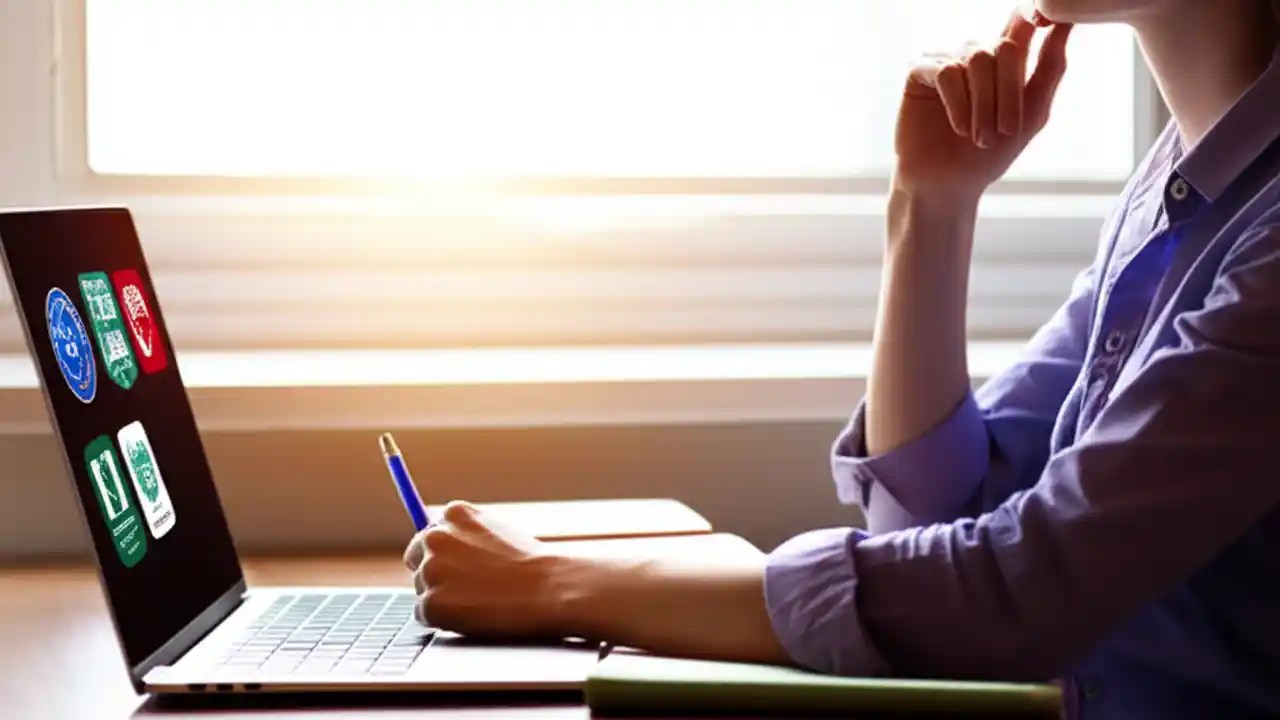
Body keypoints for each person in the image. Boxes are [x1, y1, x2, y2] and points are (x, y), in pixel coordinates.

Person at [402, 1, 1280, 717]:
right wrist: (928, 207)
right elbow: (929, 524)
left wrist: (561, 582)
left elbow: (1019, 593)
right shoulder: (1178, 187)